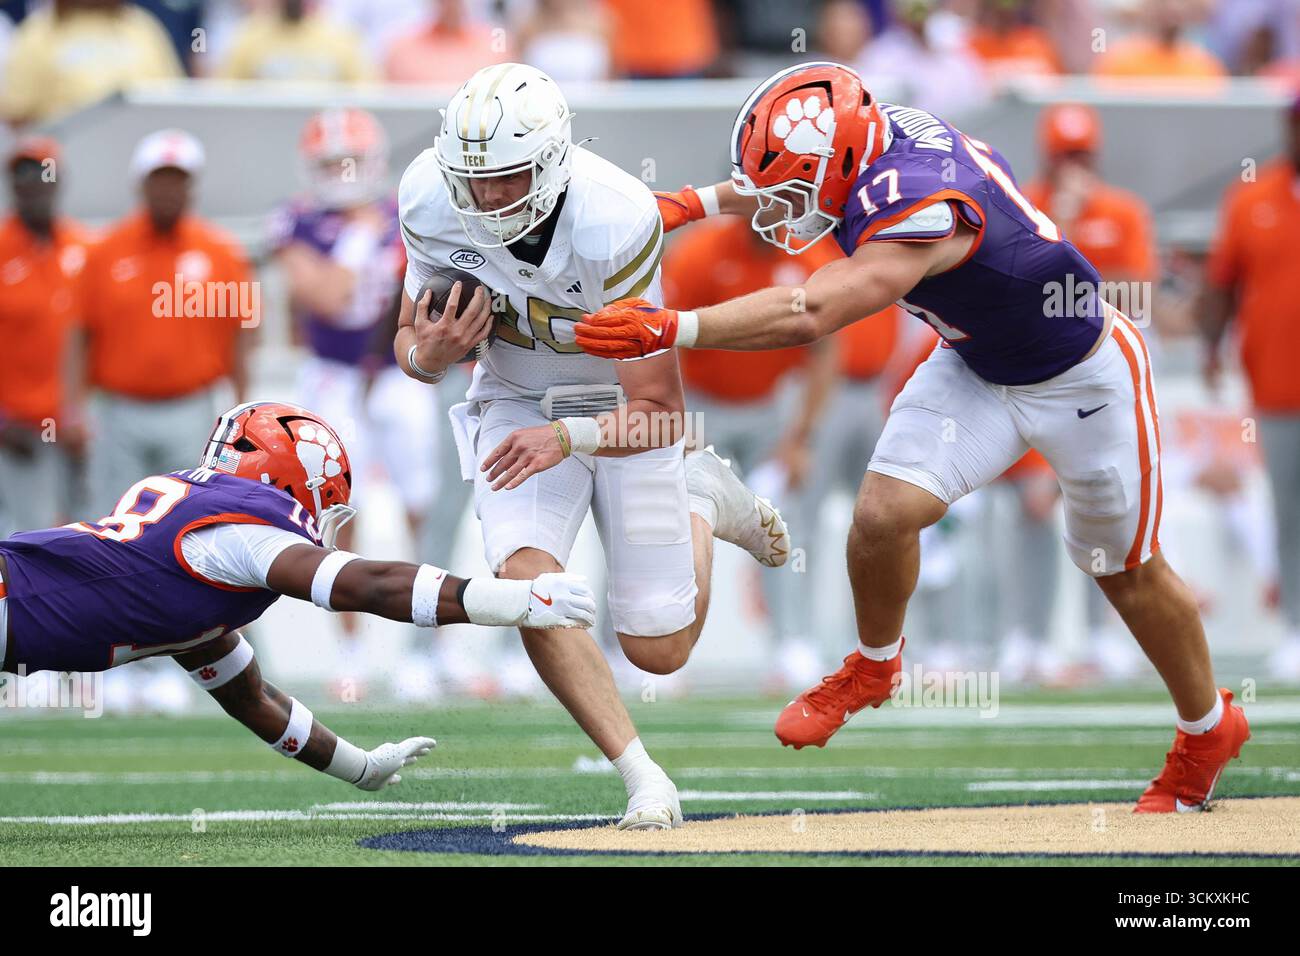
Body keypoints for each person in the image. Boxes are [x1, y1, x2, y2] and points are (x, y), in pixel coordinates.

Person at [575, 61, 1250, 814]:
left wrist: (677, 327)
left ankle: (1207, 729)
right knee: (882, 515)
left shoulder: (919, 199)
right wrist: (696, 201)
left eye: (802, 189)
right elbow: (796, 172)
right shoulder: (866, 138)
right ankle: (874, 665)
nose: (786, 209)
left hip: (1083, 373)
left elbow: (810, 309)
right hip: (975, 360)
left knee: (1124, 569)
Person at [394, 63, 790, 830]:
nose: (487, 199)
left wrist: (568, 437)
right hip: (511, 396)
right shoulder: (427, 197)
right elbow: (410, 348)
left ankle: (702, 497)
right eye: (473, 182)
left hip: (614, 403)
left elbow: (660, 413)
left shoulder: (611, 217)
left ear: (549, 163)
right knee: (531, 588)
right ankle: (643, 777)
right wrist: (434, 357)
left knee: (660, 650)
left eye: (507, 179)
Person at [0, 401, 595, 788]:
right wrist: (520, 603)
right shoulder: (239, 532)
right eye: (321, 498)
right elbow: (367, 584)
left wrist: (362, 768)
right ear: (289, 480)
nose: (320, 517)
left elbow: (252, 699)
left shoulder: (195, 570)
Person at [269, 107, 440, 695]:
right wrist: (366, 236)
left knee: (425, 500)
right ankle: (352, 652)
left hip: (399, 370)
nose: (343, 173)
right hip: (333, 373)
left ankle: (430, 649)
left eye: (351, 161)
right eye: (331, 163)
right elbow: (328, 298)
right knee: (341, 508)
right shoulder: (298, 221)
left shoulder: (406, 212)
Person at [79, 129, 253, 519]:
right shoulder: (105, 250)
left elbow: (242, 332)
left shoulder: (220, 252)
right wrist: (74, 408)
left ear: (192, 187)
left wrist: (241, 407)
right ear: (142, 185)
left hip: (191, 407)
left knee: (186, 514)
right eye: (160, 180)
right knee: (115, 516)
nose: (169, 191)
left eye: (178, 181)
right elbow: (80, 331)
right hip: (119, 409)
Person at [1199, 94, 1300, 681]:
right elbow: (1223, 283)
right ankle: (1295, 626)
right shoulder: (1253, 199)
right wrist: (1212, 348)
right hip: (1280, 384)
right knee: (1288, 509)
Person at [0, 137, 92, 536]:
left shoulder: (86, 247)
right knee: (27, 541)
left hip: (79, 429)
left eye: (42, 173)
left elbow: (99, 338)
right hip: (19, 429)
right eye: (22, 175)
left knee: (89, 536)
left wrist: (89, 415)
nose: (33, 183)